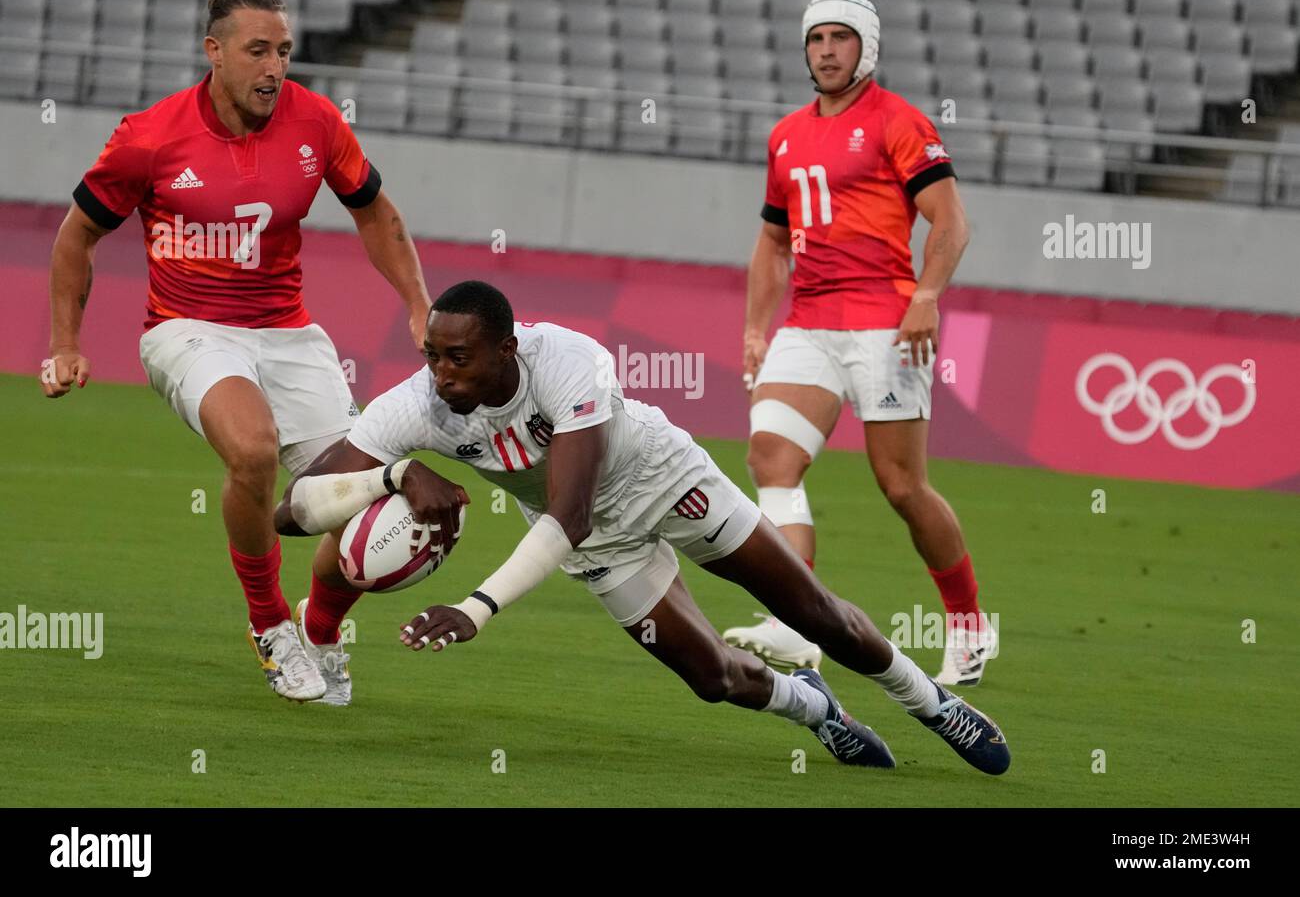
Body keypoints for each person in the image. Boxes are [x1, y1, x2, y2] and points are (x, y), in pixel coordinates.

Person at [274, 280, 1011, 774]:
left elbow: (569, 510)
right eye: (431, 356)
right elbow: (295, 508)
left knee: (812, 611)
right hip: (597, 543)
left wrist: (476, 608)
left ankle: (932, 704)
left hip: (664, 484)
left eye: (457, 358)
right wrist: (394, 476)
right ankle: (812, 706)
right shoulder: (417, 405)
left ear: (508, 350)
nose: (440, 374)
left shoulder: (569, 361)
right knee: (712, 677)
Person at [41, 0, 432, 702]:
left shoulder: (316, 122)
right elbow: (76, 237)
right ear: (214, 51)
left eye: (285, 51)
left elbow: (378, 215)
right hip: (187, 331)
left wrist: (418, 304)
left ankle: (320, 631)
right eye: (259, 51)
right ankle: (270, 626)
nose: (276, 68)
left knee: (355, 501)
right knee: (251, 450)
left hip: (288, 334)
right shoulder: (149, 138)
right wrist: (66, 344)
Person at [727, 0, 997, 686]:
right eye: (817, 39)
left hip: (885, 321)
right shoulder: (784, 134)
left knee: (902, 486)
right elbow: (772, 239)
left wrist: (927, 297)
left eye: (841, 38)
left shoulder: (899, 122)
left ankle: (968, 623)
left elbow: (951, 222)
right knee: (770, 458)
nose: (826, 50)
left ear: (865, 48)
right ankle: (794, 622)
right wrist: (756, 327)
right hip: (809, 322)